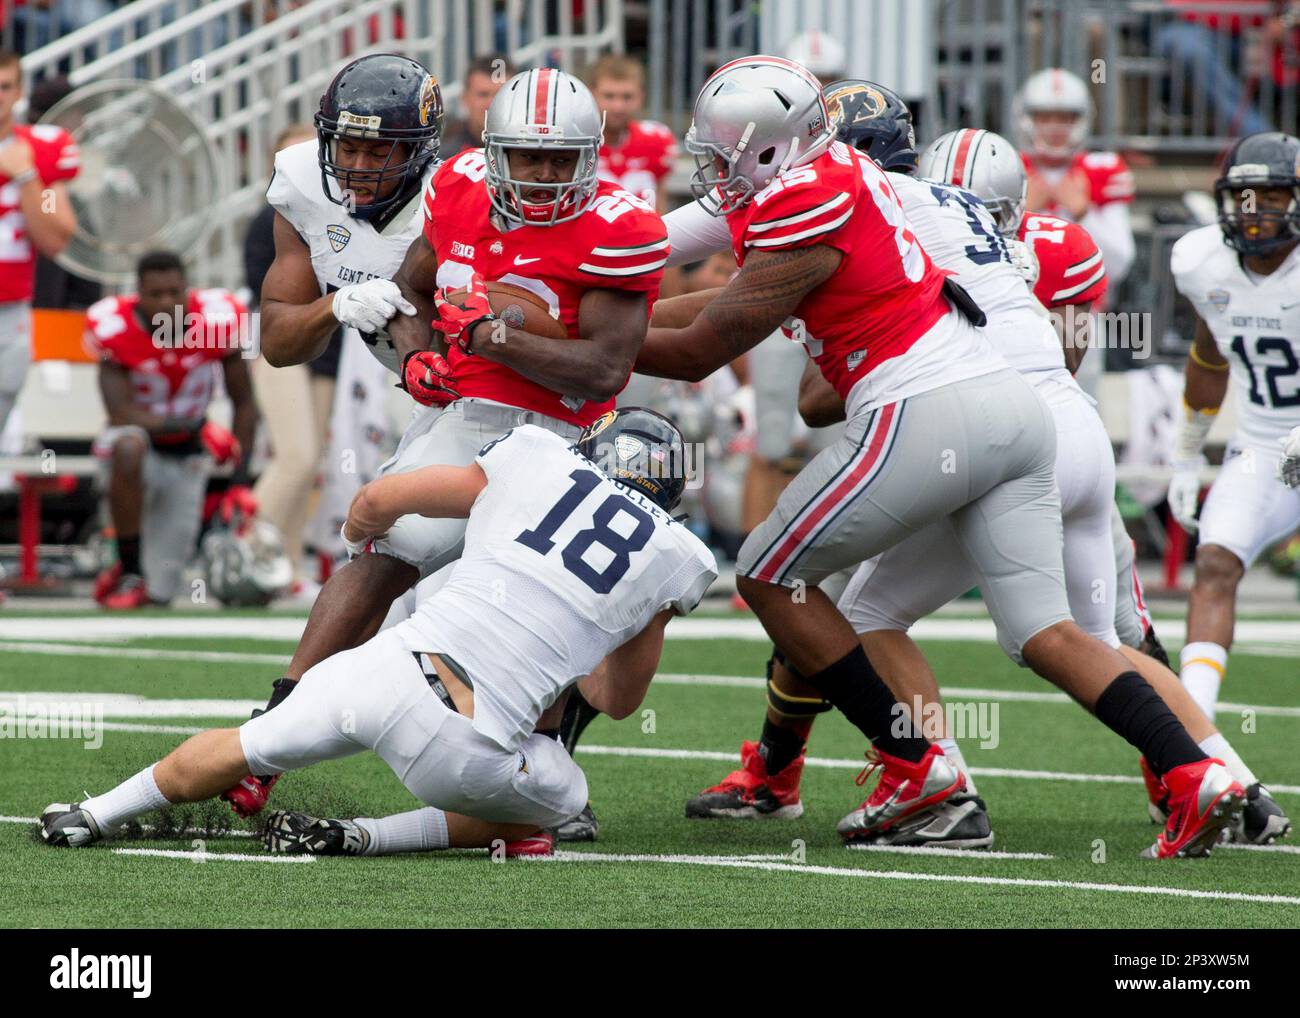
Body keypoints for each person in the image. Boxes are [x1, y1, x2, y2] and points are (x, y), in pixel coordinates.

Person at [635, 55, 1244, 859]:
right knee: (1053, 631)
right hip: (1028, 412)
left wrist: (572, 331)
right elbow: (682, 248)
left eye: (725, 155)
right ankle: (1199, 773)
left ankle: (916, 770)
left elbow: (705, 345)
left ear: (780, 148)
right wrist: (586, 291)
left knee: (771, 574)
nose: (714, 172)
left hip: (926, 407)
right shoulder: (862, 181)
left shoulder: (814, 197)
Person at [226, 65, 668, 825]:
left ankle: (540, 766)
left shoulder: (620, 227)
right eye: (527, 157)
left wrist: (492, 336)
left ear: (590, 157)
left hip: (570, 431)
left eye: (559, 158)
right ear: (492, 153)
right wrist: (421, 354)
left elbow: (605, 368)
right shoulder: (459, 188)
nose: (542, 174)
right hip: (473, 412)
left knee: (545, 603)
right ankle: (276, 724)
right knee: (386, 555)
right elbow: (414, 285)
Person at [40, 409, 718, 859]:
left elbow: (377, 501)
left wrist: (355, 532)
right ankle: (365, 836)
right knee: (560, 800)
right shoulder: (674, 555)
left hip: (378, 670)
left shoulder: (536, 455)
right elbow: (618, 699)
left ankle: (92, 814)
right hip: (464, 750)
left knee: (243, 745)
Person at [1166, 133, 1300, 745]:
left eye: (1271, 197)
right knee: (1216, 561)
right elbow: (1208, 356)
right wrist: (1187, 454)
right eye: (1245, 197)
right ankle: (1194, 735)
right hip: (1267, 446)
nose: (1255, 212)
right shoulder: (1203, 263)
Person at [86, 251, 259, 609]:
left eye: (174, 292)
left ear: (187, 290)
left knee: (161, 592)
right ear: (138, 294)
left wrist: (239, 481)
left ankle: (131, 574)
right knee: (128, 446)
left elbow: (245, 402)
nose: (167, 303)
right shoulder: (114, 325)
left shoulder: (218, 319)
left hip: (186, 456)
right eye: (156, 294)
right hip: (139, 449)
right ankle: (129, 570)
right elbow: (120, 413)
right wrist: (196, 426)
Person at [244, 123, 338, 599]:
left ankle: (291, 569)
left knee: (311, 461)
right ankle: (240, 550)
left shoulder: (341, 215)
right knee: (295, 457)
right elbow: (268, 300)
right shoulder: (269, 219)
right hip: (279, 350)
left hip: (327, 351)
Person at [0, 48, 77, 437]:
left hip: (10, 311)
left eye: (4, 87)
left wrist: (27, 176)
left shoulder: (40, 151)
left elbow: (54, 238)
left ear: (19, 92)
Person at [1014, 68, 1135, 293]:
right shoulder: (1007, 168)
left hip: (1083, 306)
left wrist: (1082, 212)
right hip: (1018, 301)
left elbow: (1118, 265)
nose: (1054, 127)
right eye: (1045, 117)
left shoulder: (1102, 169)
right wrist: (1020, 214)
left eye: (1064, 118)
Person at [589, 54, 677, 214]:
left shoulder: (656, 140)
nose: (618, 107)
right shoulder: (578, 144)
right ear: (592, 94)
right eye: (609, 96)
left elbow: (659, 207)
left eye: (627, 97)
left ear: (641, 97)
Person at [439, 53, 515, 158]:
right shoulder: (447, 160)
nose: (492, 104)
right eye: (483, 95)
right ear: (464, 98)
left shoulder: (535, 152)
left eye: (500, 94)